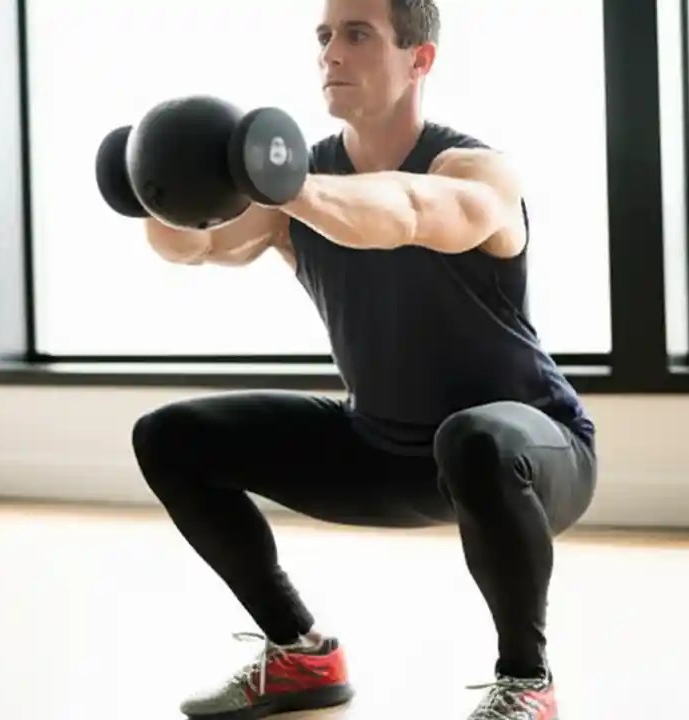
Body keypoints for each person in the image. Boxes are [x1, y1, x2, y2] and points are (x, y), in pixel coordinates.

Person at [129, 0, 596, 717]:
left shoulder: (477, 171)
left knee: (472, 437)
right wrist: (163, 196)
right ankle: (298, 657)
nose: (331, 54)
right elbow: (198, 247)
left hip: (530, 453)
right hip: (385, 449)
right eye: (323, 36)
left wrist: (288, 186)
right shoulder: (294, 188)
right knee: (169, 437)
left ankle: (527, 683)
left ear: (420, 60)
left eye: (356, 34)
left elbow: (407, 212)